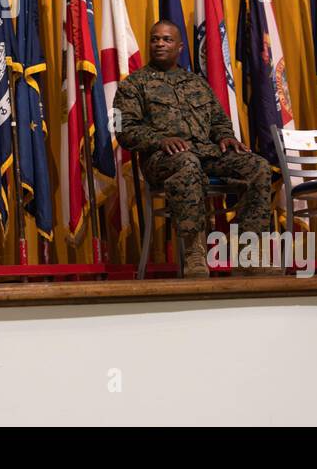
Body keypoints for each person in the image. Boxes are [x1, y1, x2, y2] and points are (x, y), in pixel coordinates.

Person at [117, 20, 279, 278]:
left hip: (205, 153)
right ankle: (194, 252)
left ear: (179, 47)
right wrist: (160, 140)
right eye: (155, 38)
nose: (160, 43)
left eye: (167, 39)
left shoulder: (197, 83)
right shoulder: (132, 85)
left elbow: (219, 120)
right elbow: (123, 129)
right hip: (162, 159)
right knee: (186, 163)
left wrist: (226, 137)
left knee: (257, 166)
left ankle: (248, 252)